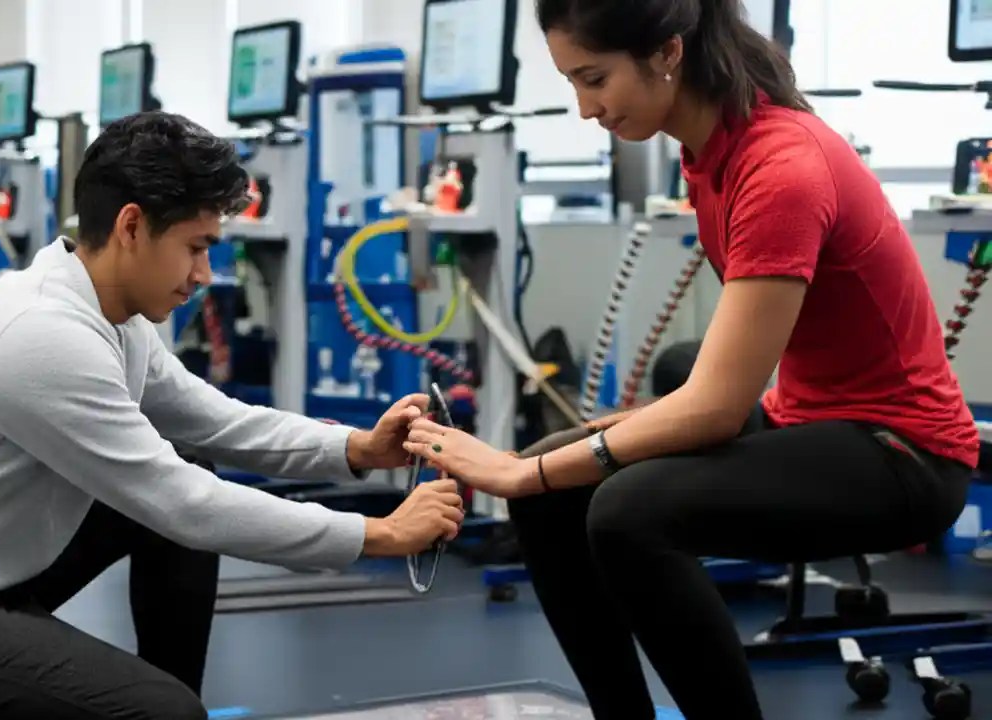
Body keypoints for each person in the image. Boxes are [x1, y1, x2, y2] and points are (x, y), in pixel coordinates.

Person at [403, 1, 979, 719]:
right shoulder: (708, 153)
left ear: (667, 53)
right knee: (554, 489)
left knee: (622, 508)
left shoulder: (782, 166)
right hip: (810, 421)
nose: (585, 108)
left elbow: (714, 408)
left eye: (594, 79)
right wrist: (560, 464)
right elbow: (722, 391)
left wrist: (522, 470)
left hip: (906, 456)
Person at [0, 111, 465, 720]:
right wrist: (380, 533)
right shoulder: (42, 333)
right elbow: (188, 506)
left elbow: (213, 421)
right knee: (162, 712)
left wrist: (355, 448)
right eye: (195, 246)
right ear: (130, 227)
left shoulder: (107, 314)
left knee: (185, 462)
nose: (205, 273)